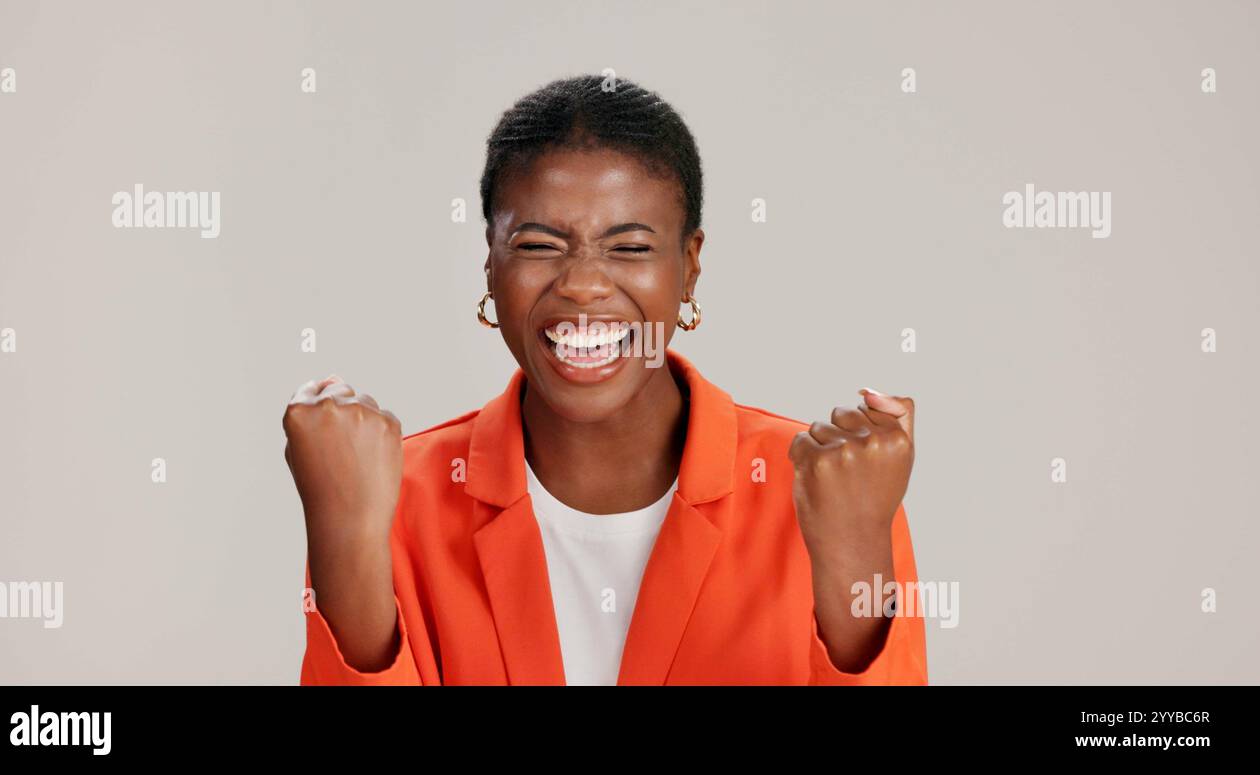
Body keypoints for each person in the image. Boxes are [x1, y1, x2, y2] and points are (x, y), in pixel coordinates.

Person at [283, 74, 927, 685]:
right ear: (490, 261)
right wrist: (342, 533)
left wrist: (858, 550)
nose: (584, 285)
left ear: (690, 267)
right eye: (537, 245)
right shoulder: (390, 493)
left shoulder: (823, 488)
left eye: (631, 247)